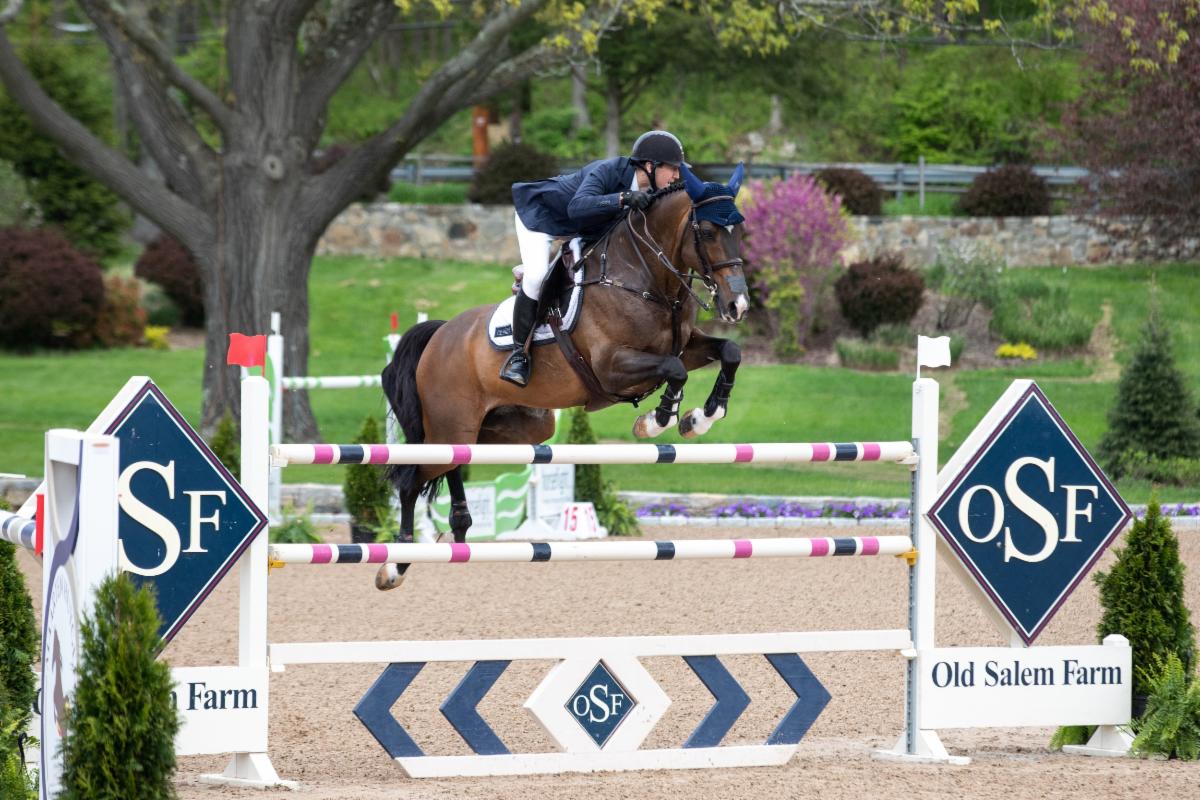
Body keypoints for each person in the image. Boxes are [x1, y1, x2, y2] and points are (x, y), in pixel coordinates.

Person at [500, 130, 689, 387]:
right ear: (649, 165)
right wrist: (622, 198)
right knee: (536, 277)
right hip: (541, 220)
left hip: (581, 230)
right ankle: (518, 356)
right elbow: (576, 207)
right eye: (673, 168)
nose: (677, 175)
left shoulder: (653, 190)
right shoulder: (608, 171)